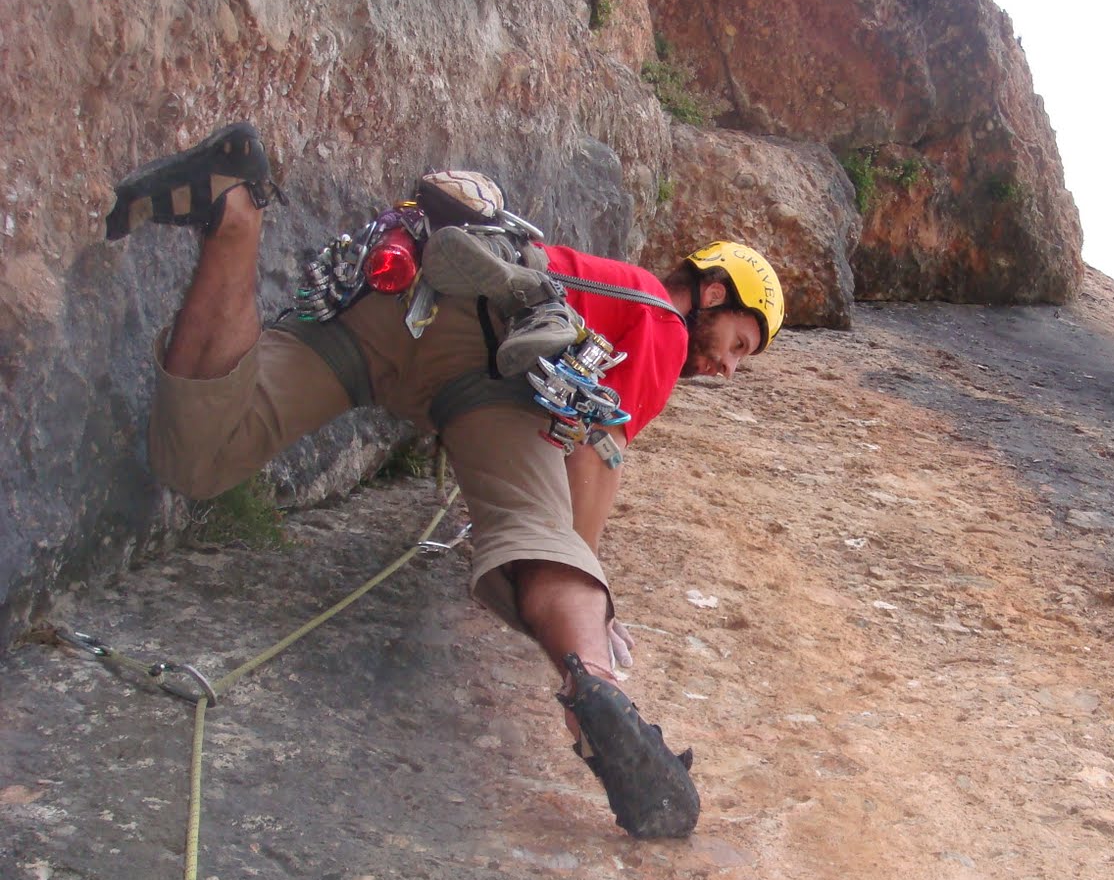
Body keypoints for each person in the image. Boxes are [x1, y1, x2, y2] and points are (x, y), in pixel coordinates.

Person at [104, 121, 785, 840]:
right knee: (538, 542)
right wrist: (584, 587)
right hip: (480, 351)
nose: (729, 368)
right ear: (711, 292)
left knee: (199, 453)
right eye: (739, 343)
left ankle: (234, 214)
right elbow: (599, 447)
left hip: (379, 302)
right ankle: (597, 688)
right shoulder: (662, 318)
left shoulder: (611, 283)